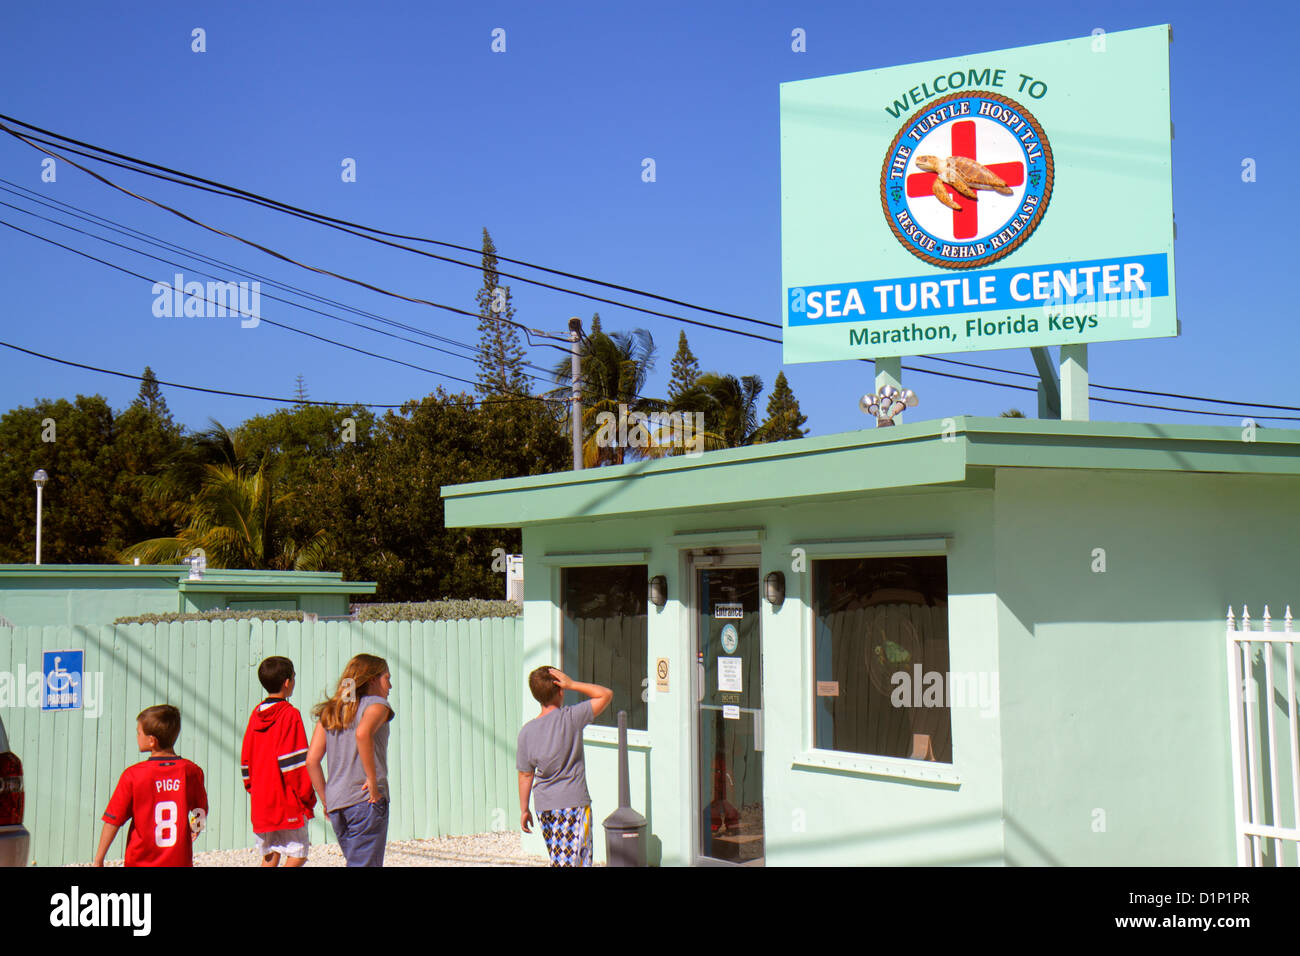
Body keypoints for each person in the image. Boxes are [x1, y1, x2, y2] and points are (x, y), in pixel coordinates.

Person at [516, 666, 612, 867]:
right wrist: (573, 684)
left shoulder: (527, 732)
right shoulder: (571, 718)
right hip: (573, 804)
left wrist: (524, 809)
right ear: (561, 690)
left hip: (545, 807)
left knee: (561, 860)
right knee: (573, 862)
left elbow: (525, 774)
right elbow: (605, 695)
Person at [306, 654, 394, 867]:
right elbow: (363, 733)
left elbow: (311, 760)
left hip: (338, 803)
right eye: (386, 678)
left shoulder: (331, 711)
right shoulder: (378, 706)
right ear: (372, 679)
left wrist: (326, 799)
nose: (390, 686)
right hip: (365, 799)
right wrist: (372, 780)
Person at [94, 704, 207, 867]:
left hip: (141, 862)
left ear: (152, 741)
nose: (137, 736)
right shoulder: (191, 771)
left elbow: (113, 820)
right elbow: (201, 809)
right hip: (179, 861)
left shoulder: (133, 775)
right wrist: (196, 828)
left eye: (139, 732)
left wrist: (99, 859)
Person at [241, 656, 316, 867]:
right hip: (287, 800)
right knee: (298, 852)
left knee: (270, 854)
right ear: (287, 682)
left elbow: (246, 760)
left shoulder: (255, 715)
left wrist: (252, 788)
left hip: (261, 800)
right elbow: (295, 763)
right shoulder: (290, 715)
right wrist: (307, 796)